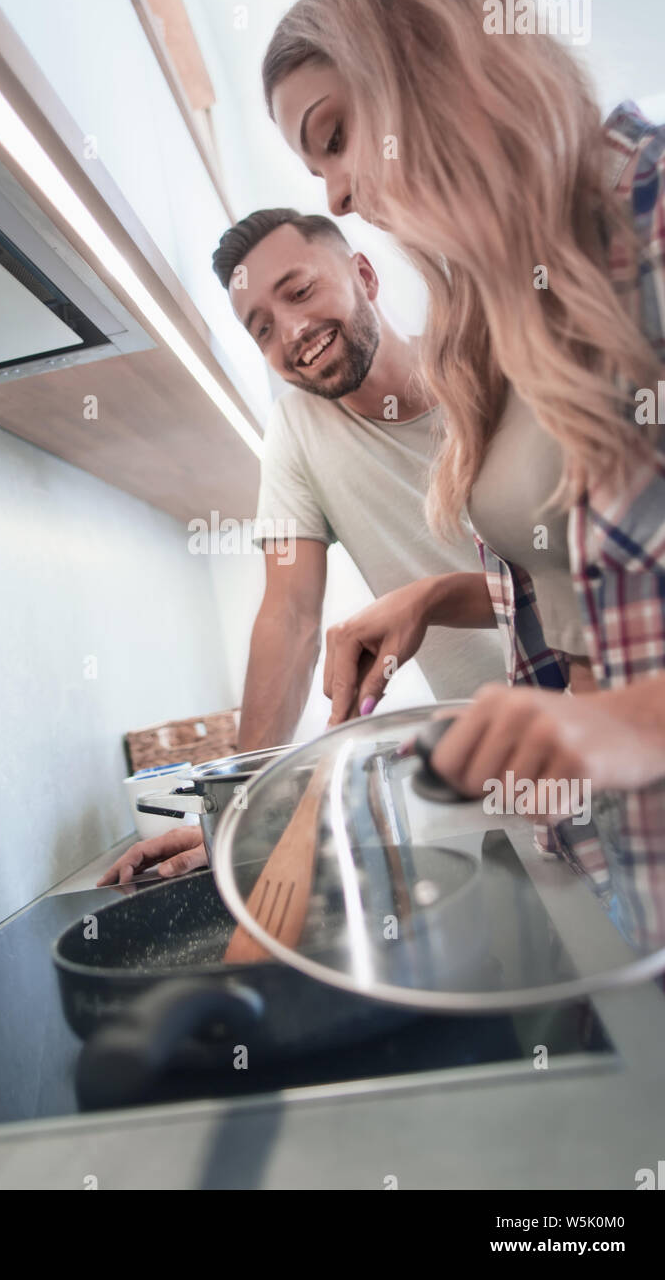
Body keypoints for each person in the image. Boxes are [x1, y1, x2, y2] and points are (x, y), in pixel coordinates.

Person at [260, 0, 665, 806]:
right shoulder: (491, 322)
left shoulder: (660, 202)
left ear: (432, 64)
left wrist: (628, 725)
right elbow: (572, 574)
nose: (334, 193)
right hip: (627, 857)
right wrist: (438, 596)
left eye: (334, 136)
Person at [98, 207, 505, 885]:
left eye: (299, 291)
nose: (290, 332)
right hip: (496, 776)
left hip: (619, 718)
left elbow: (576, 577)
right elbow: (289, 616)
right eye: (261, 326)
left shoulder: (489, 368)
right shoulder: (295, 431)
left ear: (364, 276)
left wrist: (430, 597)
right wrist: (238, 815)